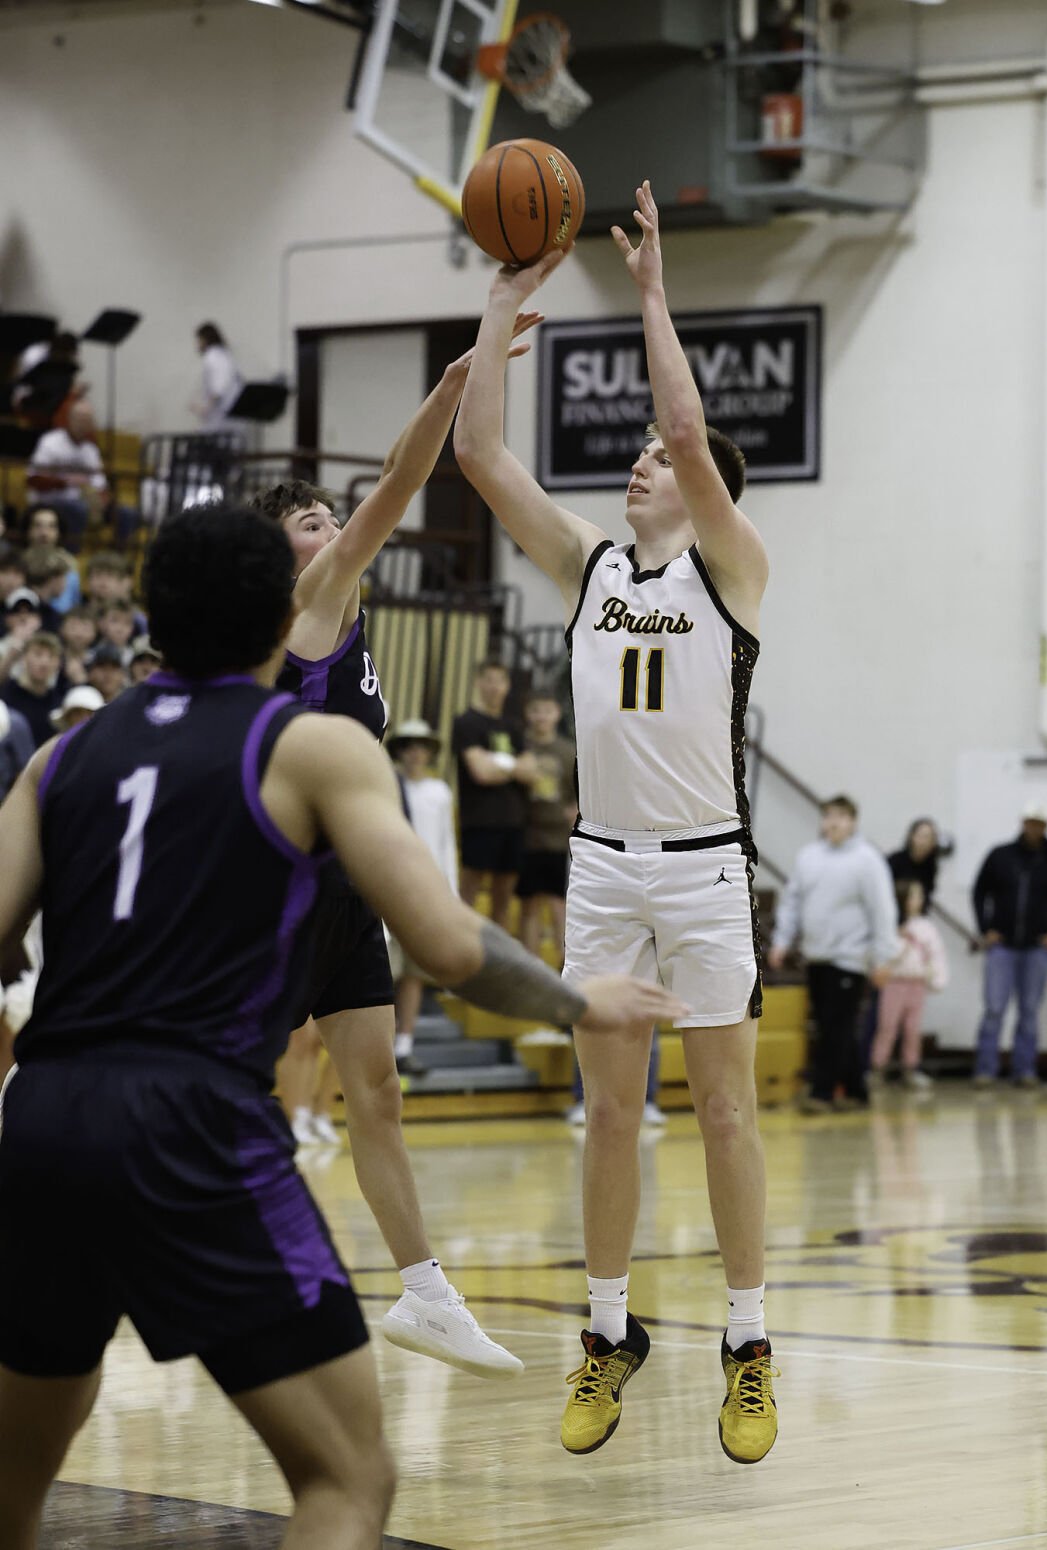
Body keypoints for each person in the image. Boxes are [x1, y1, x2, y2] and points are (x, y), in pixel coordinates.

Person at [0, 502, 680, 1550]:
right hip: (195, 1121)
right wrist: (580, 998)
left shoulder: (62, 759)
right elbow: (450, 948)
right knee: (348, 1477)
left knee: (14, 1478)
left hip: (40, 1119)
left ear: (151, 615)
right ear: (284, 610)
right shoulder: (310, 744)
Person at [454, 181, 780, 1465]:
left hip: (704, 873)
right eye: (640, 456)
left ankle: (747, 1343)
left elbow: (695, 434)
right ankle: (606, 1334)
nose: (645, 459)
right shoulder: (592, 570)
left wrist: (650, 294)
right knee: (605, 1112)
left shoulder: (735, 574)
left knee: (725, 1113)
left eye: (660, 460)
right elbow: (484, 458)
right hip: (599, 867)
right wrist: (499, 300)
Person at [256, 307, 540, 1380]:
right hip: (279, 891)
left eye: (333, 522)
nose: (338, 534)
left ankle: (426, 1293)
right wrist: (456, 385)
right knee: (224, 1094)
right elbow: (399, 481)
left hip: (346, 893)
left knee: (373, 1089)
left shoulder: (346, 612)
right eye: (315, 524)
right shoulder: (307, 604)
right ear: (285, 555)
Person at [769, 796, 897, 1112]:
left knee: (835, 1026)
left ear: (853, 821)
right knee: (835, 1025)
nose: (834, 822)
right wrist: (782, 940)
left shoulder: (868, 860)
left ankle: (821, 1092)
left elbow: (882, 910)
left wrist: (884, 957)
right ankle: (856, 1091)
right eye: (828, 816)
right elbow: (792, 901)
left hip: (850, 958)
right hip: (817, 956)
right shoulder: (809, 857)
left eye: (841, 816)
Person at [971, 803, 1047, 1088]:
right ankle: (985, 1069)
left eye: (1040, 823)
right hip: (1001, 947)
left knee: (1029, 1011)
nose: (1034, 828)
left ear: (1046, 827)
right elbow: (980, 891)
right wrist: (985, 928)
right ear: (1022, 823)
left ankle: (1025, 1069)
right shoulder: (1000, 856)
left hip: (1037, 949)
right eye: (1030, 822)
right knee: (994, 1008)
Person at [386, 719, 457, 1076]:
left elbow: (446, 845)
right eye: (409, 745)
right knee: (385, 969)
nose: (415, 753)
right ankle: (382, 1045)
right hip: (389, 886)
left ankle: (404, 1045)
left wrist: (450, 896)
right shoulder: (387, 786)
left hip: (425, 892)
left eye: (421, 746)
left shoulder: (440, 793)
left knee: (413, 973)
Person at [452, 659, 535, 928]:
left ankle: (495, 966)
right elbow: (481, 773)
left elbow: (532, 774)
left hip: (513, 822)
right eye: (488, 680)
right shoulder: (467, 723)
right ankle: (461, 961)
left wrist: (497, 761)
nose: (494, 687)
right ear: (478, 683)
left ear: (507, 686)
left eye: (499, 681)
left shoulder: (514, 727)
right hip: (479, 821)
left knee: (503, 900)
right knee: (469, 896)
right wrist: (513, 765)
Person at [516, 689, 577, 963]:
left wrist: (574, 810)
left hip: (557, 837)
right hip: (526, 834)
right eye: (536, 710)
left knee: (557, 903)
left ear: (557, 713)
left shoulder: (567, 750)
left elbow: (577, 791)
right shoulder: (521, 745)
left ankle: (566, 964)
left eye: (547, 710)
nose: (541, 717)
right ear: (528, 714)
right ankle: (531, 966)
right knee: (529, 904)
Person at [870, 879, 948, 1088]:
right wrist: (900, 940)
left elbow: (936, 955)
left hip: (917, 984)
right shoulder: (890, 925)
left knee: (913, 1029)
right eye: (914, 896)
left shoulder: (926, 927)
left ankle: (910, 1069)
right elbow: (883, 954)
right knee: (887, 1027)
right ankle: (878, 1068)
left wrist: (937, 978)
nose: (918, 900)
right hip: (894, 982)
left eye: (920, 896)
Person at [25, 399, 109, 551]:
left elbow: (100, 484)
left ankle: (114, 558)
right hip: (49, 500)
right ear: (69, 419)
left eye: (87, 420)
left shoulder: (91, 449)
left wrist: (103, 500)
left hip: (80, 499)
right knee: (78, 509)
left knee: (126, 513)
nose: (83, 423)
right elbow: (33, 479)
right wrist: (66, 482)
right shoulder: (51, 442)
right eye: (79, 418)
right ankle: (72, 554)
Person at [1, 632, 65, 744]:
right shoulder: (7, 693)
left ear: (58, 663)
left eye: (51, 656)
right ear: (24, 658)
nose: (44, 662)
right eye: (38, 654)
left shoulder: (59, 702)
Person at [190, 322, 244, 431]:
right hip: (232, 416)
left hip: (222, 419)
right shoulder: (226, 356)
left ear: (204, 340)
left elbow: (219, 389)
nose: (197, 345)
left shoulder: (212, 357)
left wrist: (204, 408)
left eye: (198, 340)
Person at [888, 818, 941, 917]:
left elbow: (926, 897)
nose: (923, 842)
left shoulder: (931, 866)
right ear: (911, 837)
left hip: (916, 918)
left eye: (929, 838)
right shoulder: (894, 861)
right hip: (892, 914)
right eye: (921, 836)